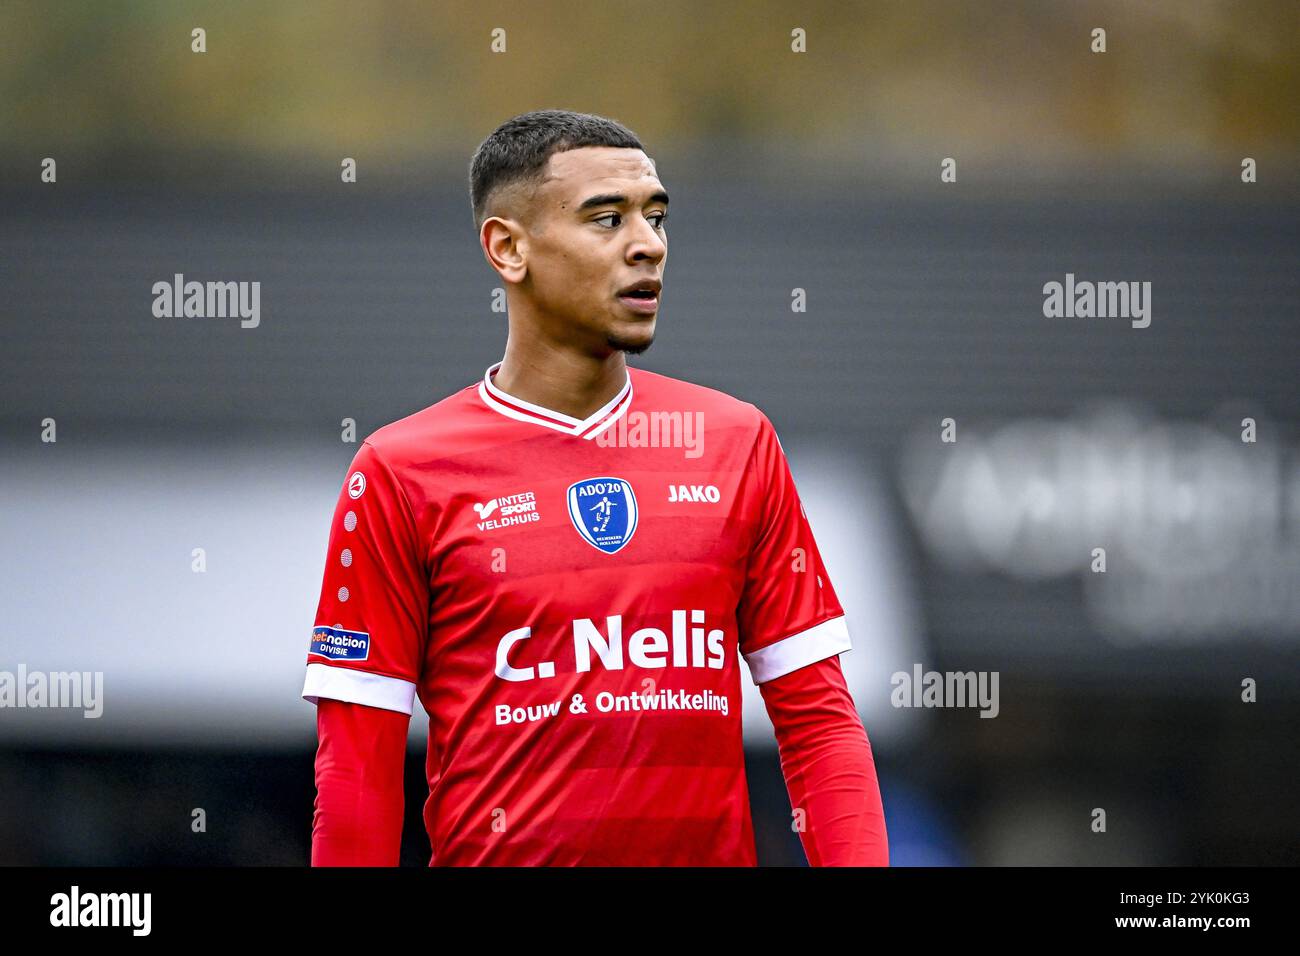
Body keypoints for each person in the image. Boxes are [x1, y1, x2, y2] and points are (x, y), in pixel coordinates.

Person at [304, 109, 888, 866]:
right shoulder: (399, 471)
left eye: (656, 217)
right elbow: (357, 768)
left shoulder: (736, 442)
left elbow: (820, 724)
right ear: (508, 248)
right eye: (607, 219)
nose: (648, 244)